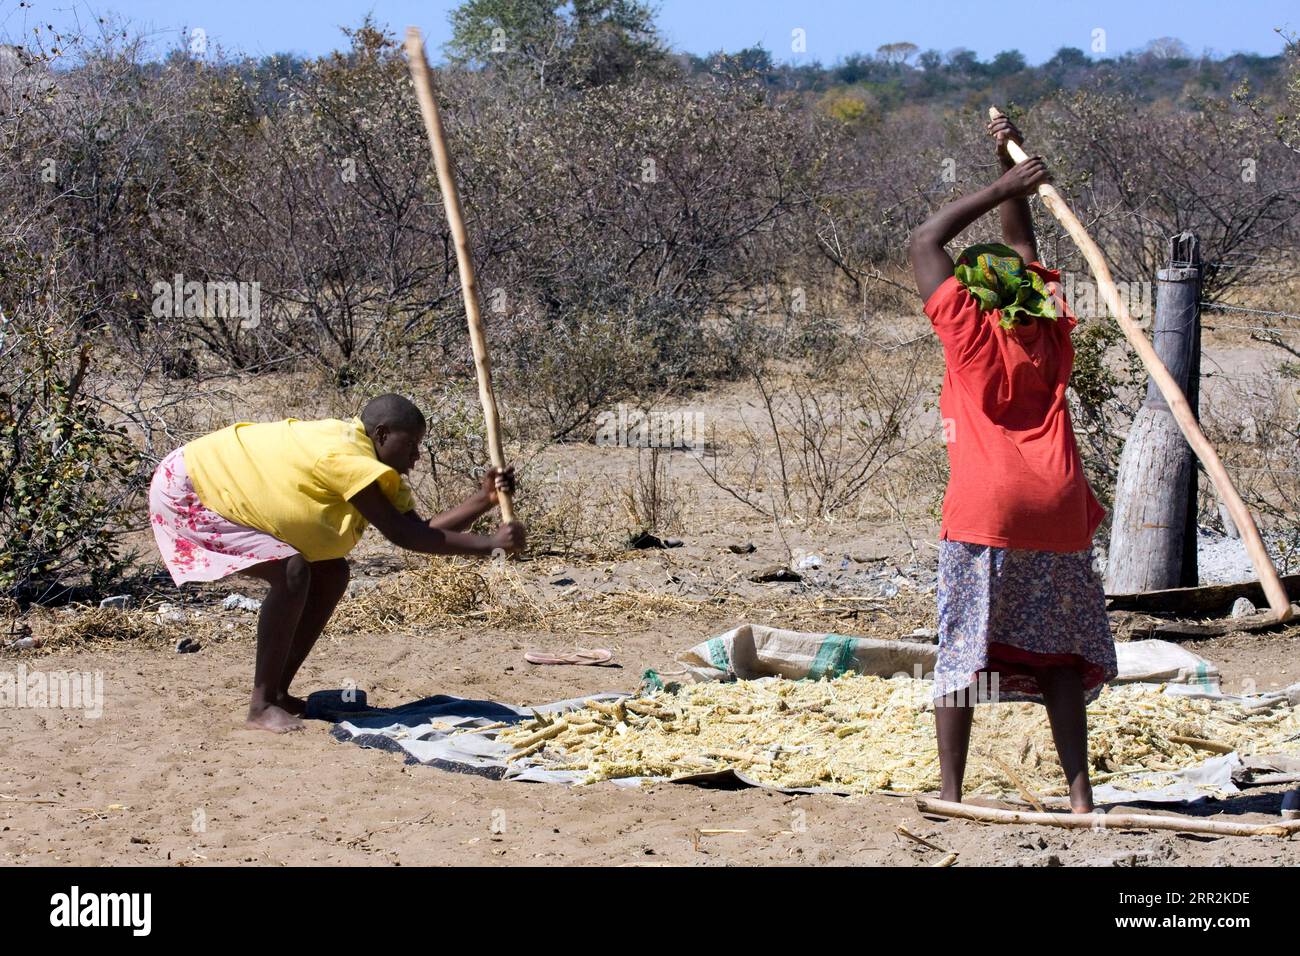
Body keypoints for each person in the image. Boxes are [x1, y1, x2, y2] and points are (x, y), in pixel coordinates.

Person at [907, 115, 1117, 812]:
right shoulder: (1050, 329)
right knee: (1058, 651)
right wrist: (1011, 168)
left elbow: (925, 239)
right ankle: (1081, 798)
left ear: (974, 297)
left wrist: (999, 181)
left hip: (988, 509)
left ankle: (952, 791)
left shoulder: (968, 334)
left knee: (962, 648)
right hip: (1059, 510)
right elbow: (1021, 247)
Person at [148, 393, 524, 734]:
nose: (416, 455)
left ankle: (278, 692)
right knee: (291, 572)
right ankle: (260, 705)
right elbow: (404, 537)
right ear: (381, 435)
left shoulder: (365, 458)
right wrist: (489, 545)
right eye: (410, 444)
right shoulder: (346, 459)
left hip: (207, 480)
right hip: (189, 487)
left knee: (332, 571)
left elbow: (419, 530)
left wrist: (483, 499)